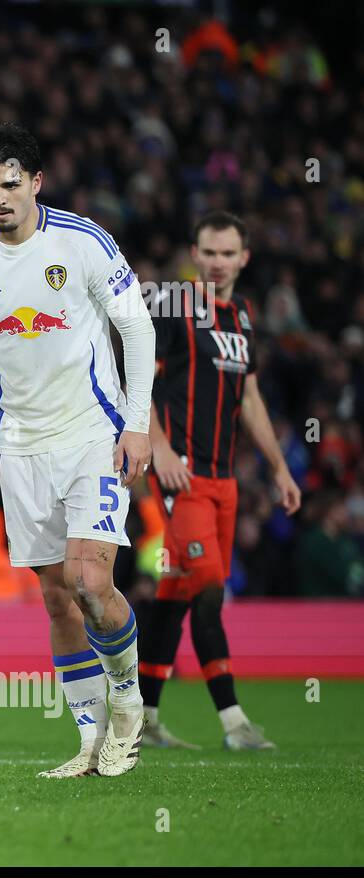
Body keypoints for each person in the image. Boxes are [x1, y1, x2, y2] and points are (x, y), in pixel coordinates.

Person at [0, 122, 156, 778]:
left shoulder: (82, 242)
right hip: (21, 447)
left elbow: (134, 325)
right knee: (57, 598)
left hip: (92, 434)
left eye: (11, 185)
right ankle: (88, 739)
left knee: (90, 581)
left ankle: (130, 705)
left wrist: (136, 424)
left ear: (37, 183)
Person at [140, 211, 301, 750]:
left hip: (225, 482)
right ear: (194, 253)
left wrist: (278, 466)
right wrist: (159, 450)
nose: (217, 263)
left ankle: (142, 716)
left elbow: (249, 399)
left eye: (228, 253)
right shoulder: (173, 306)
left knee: (177, 592)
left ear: (243, 258)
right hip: (181, 476)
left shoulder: (244, 318)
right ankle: (235, 724)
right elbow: (136, 381)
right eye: (208, 252)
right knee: (209, 590)